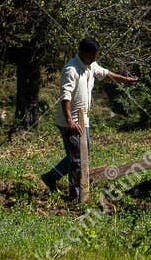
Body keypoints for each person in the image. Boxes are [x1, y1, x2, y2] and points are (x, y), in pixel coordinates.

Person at [40, 37, 137, 197]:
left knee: (80, 154)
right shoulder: (71, 70)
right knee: (77, 158)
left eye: (95, 56)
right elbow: (66, 97)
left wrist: (124, 80)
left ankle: (50, 177)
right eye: (92, 56)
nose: (94, 59)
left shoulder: (91, 65)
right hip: (69, 121)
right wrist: (70, 121)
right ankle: (76, 194)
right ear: (82, 52)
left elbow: (105, 74)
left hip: (83, 119)